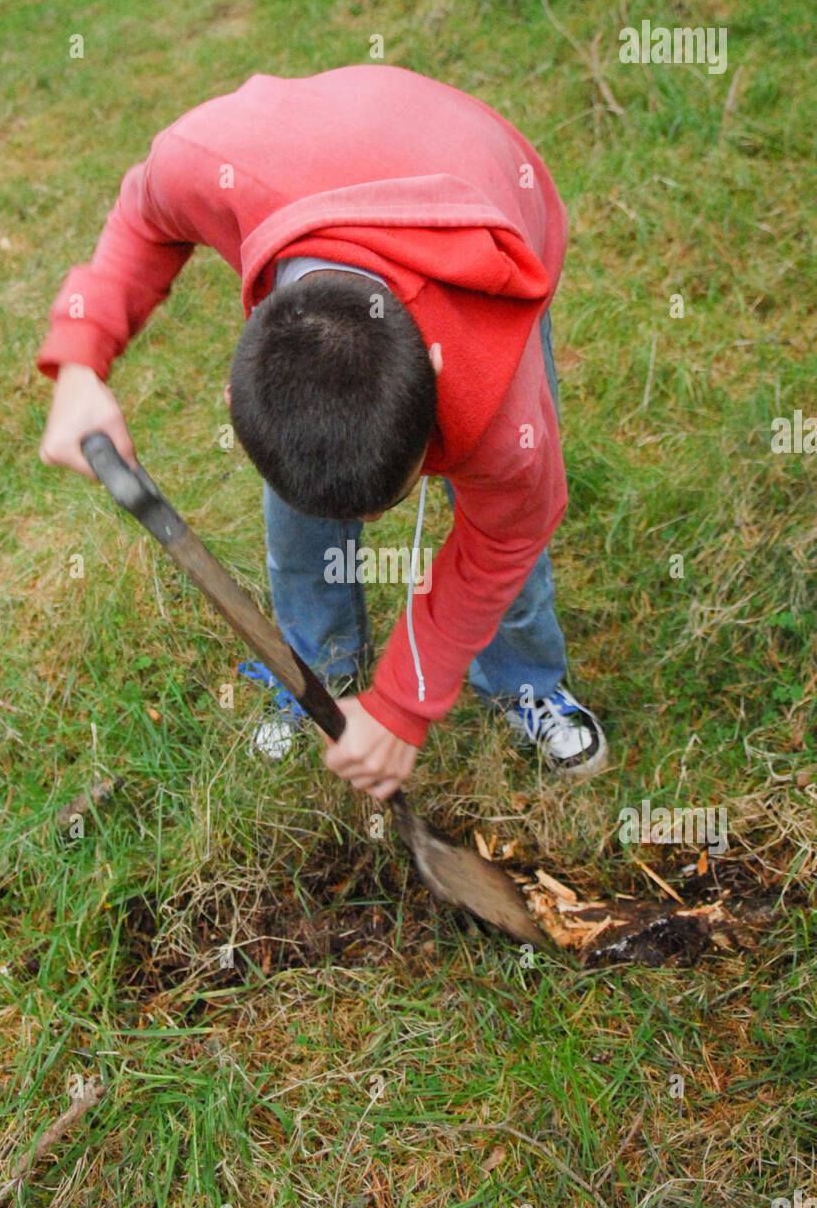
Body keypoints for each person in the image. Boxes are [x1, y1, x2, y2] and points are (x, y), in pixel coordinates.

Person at [38, 63, 608, 801]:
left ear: (436, 400)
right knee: (305, 501)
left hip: (483, 185)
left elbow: (503, 538)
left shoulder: (504, 418)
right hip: (299, 155)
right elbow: (144, 214)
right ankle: (319, 666)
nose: (366, 522)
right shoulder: (208, 165)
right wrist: (80, 361)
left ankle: (522, 681)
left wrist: (403, 707)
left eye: (382, 501)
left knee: (506, 522)